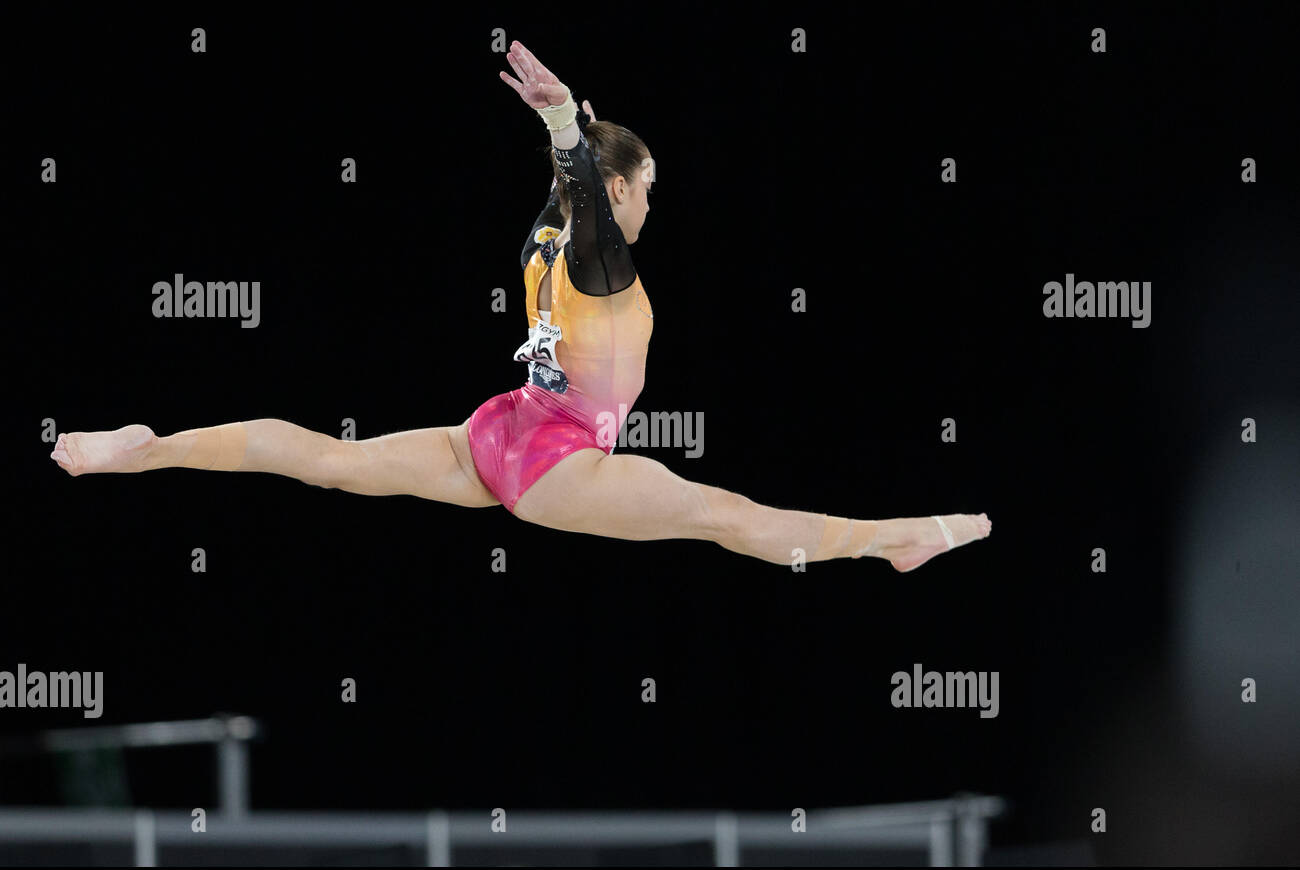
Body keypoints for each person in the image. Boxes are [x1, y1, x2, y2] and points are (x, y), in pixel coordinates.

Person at [49, 40, 990, 571]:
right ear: (616, 193)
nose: (652, 203)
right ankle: (893, 541)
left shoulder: (543, 233)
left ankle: (151, 448)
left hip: (498, 431)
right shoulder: (600, 262)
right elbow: (584, 193)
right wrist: (564, 127)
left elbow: (566, 188)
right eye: (647, 187)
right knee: (723, 513)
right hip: (556, 463)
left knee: (322, 460)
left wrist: (568, 127)